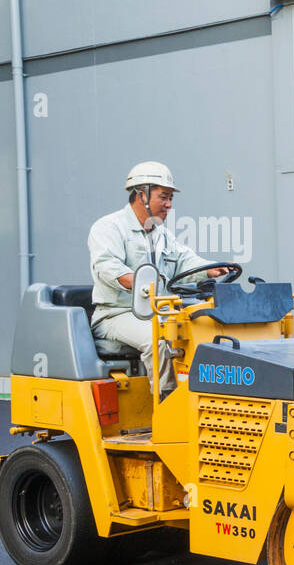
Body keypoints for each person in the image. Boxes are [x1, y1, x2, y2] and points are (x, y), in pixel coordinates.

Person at [88, 162, 227, 392]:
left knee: (200, 331)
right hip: (116, 314)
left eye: (171, 198)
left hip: (157, 311)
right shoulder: (109, 227)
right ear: (141, 194)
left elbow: (183, 261)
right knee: (159, 340)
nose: (169, 205)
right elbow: (107, 265)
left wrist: (210, 269)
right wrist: (136, 282)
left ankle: (198, 398)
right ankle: (168, 406)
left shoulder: (160, 233)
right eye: (164, 197)